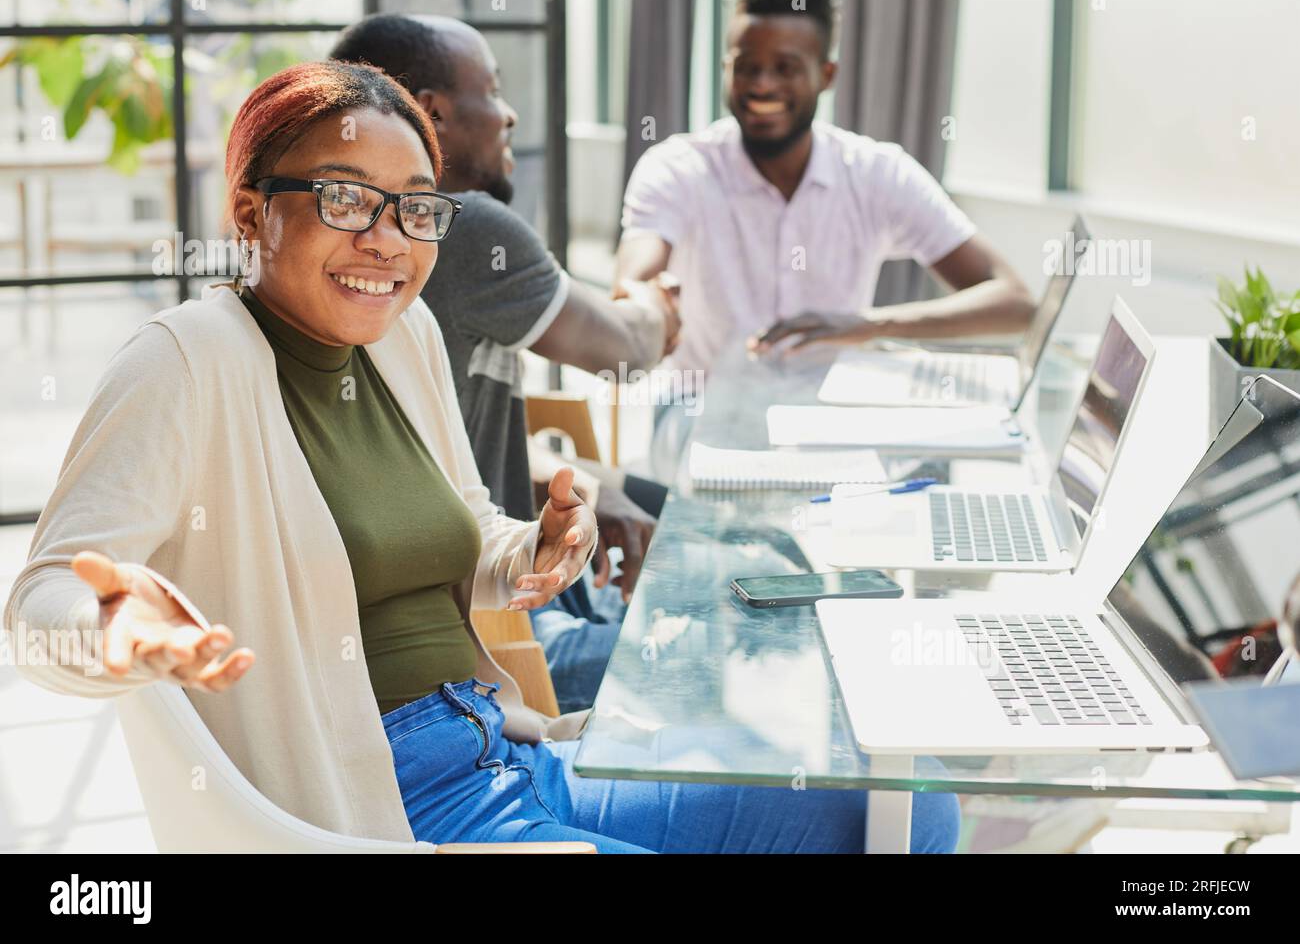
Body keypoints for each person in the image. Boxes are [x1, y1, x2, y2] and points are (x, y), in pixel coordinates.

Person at [4, 61, 959, 853]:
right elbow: (39, 605)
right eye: (345, 200)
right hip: (386, 802)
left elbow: (473, 540)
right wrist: (116, 631)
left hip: (503, 748)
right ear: (252, 212)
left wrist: (534, 548)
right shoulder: (185, 360)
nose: (386, 241)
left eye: (415, 209)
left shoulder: (401, 335)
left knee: (908, 805)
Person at [330, 14, 675, 711]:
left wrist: (573, 478)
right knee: (705, 641)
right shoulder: (465, 225)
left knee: (671, 525)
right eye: (492, 88)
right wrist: (653, 301)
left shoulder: (392, 263)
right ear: (432, 115)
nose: (510, 112)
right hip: (495, 624)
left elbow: (434, 445)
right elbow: (624, 351)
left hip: (511, 557)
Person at [616, 0, 1036, 476]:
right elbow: (635, 278)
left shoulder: (877, 172)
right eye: (745, 67)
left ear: (827, 74)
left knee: (935, 478)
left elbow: (1014, 302)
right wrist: (644, 299)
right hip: (699, 413)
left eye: (785, 68)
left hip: (832, 419)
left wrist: (870, 325)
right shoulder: (678, 168)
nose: (762, 86)